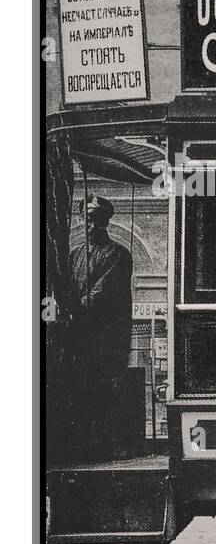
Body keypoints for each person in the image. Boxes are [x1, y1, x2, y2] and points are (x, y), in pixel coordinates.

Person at [67, 195, 133, 460]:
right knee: (83, 390)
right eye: (87, 219)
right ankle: (86, 445)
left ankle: (113, 446)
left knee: (108, 390)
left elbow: (104, 290)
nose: (91, 226)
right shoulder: (75, 255)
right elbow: (69, 288)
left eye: (96, 220)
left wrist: (77, 308)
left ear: (106, 221)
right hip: (81, 336)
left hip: (107, 337)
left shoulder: (118, 254)